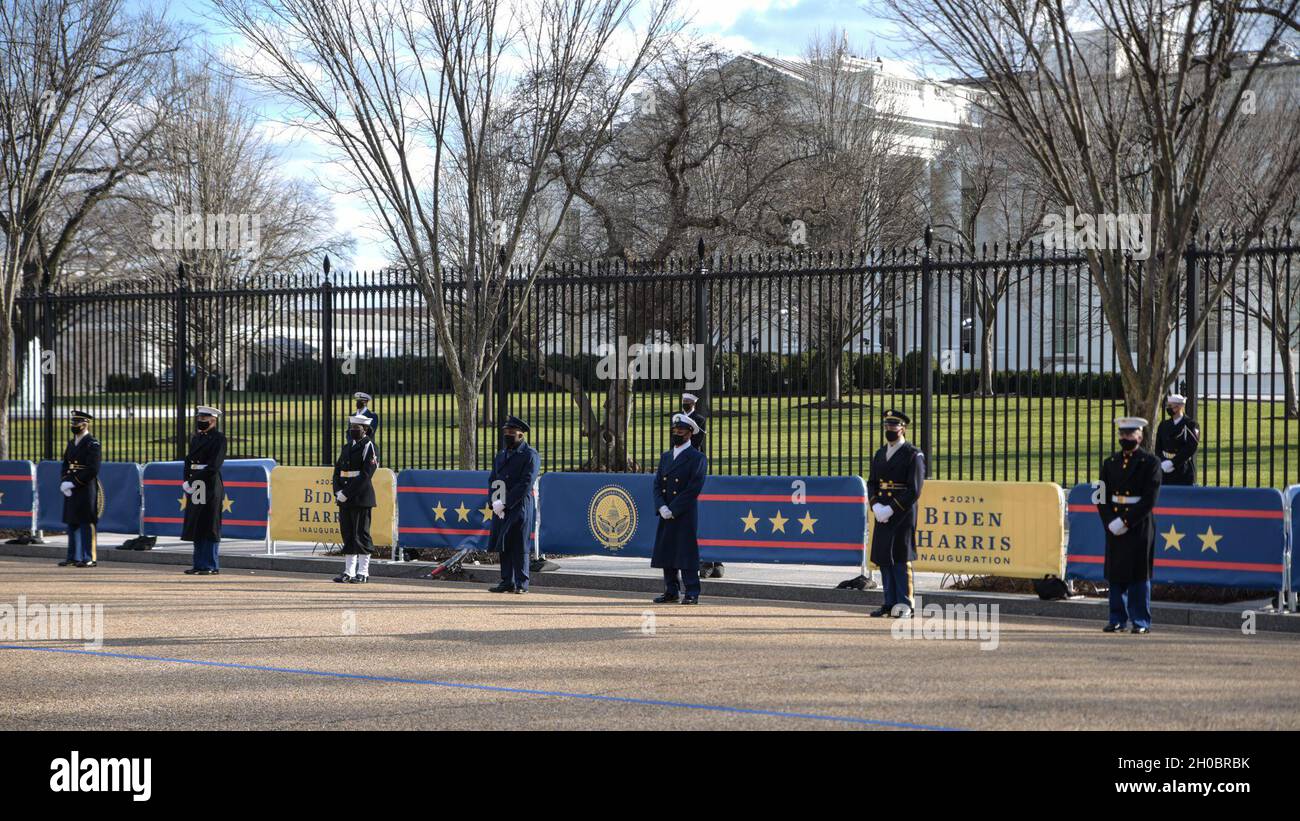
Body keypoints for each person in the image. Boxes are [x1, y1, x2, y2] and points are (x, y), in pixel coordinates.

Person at [1096, 416, 1162, 634]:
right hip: (1114, 521)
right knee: (1116, 573)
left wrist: (1126, 521)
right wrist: (1109, 521)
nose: (1125, 438)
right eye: (1123, 434)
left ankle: (1141, 620)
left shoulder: (1150, 463)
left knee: (1138, 573)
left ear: (1140, 436)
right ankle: (1117, 618)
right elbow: (1101, 496)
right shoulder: (1110, 463)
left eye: (1130, 434)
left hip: (1139, 524)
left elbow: (1149, 499)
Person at [866, 410, 926, 618]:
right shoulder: (880, 453)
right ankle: (889, 601)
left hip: (901, 513)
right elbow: (872, 482)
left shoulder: (913, 454)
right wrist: (875, 506)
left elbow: (914, 489)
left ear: (903, 428)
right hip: (882, 512)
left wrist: (891, 508)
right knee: (884, 558)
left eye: (894, 427)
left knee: (900, 558)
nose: (890, 430)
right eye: (887, 427)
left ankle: (905, 603)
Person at [651, 413, 709, 605]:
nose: (676, 434)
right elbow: (657, 485)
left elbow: (693, 488)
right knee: (667, 550)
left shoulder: (697, 457)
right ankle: (671, 590)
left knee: (686, 551)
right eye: (674, 431)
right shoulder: (666, 456)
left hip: (683, 513)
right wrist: (661, 506)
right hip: (666, 511)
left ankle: (692, 591)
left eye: (681, 431)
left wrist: (673, 509)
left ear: (690, 433)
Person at [487, 416, 540, 594]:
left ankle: (521, 583)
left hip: (519, 505)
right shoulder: (501, 455)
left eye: (511, 433)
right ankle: (506, 580)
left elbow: (526, 483)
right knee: (504, 542)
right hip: (500, 505)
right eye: (505, 433)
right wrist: (494, 502)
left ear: (520, 434)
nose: (507, 436)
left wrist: (507, 502)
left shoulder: (530, 455)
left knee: (519, 543)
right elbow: (494, 479)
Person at [333, 414, 379, 584]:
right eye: (351, 427)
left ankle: (363, 572)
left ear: (365, 429)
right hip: (344, 498)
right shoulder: (346, 447)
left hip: (360, 497)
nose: (352, 431)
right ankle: (349, 572)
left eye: (356, 428)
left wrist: (347, 493)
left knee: (361, 535)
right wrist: (338, 491)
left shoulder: (369, 446)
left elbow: (366, 474)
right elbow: (337, 471)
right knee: (348, 534)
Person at [182, 406, 227, 576]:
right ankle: (199, 563)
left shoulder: (219, 439)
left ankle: (210, 564)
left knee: (209, 524)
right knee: (197, 523)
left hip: (209, 485)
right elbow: (188, 461)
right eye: (199, 418)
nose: (201, 421)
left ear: (213, 420)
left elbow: (214, 466)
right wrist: (186, 480)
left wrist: (192, 481)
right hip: (196, 485)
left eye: (204, 418)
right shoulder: (196, 438)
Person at [682, 392, 722, 579]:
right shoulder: (679, 418)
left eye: (689, 403)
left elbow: (697, 441)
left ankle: (712, 560)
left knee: (703, 512)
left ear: (694, 404)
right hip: (683, 465)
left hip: (695, 463)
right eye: (684, 402)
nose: (686, 405)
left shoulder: (699, 419)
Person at [58, 410, 101, 568]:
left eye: (77, 424)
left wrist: (74, 482)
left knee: (86, 522)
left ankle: (89, 557)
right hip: (70, 486)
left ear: (85, 424)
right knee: (72, 521)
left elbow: (93, 469)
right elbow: (65, 464)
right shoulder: (71, 443)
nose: (74, 426)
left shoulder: (92, 443)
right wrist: (64, 481)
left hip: (84, 487)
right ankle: (73, 556)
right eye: (72, 423)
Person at [1154, 393, 1199, 486]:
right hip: (1165, 468)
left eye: (1171, 406)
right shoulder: (1163, 425)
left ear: (1180, 406)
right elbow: (1158, 447)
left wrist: (1173, 463)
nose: (1168, 408)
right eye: (1168, 405)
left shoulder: (1190, 424)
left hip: (1182, 468)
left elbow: (1191, 447)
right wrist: (1162, 462)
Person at [351, 392, 380, 459]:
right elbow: (348, 432)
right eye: (357, 401)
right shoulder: (353, 415)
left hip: (367, 447)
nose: (358, 403)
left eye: (360, 401)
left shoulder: (372, 415)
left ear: (366, 402)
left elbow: (371, 431)